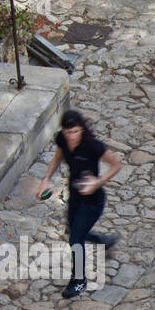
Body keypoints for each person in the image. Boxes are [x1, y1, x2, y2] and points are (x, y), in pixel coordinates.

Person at [36, 109, 122, 300]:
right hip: (75, 196)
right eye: (68, 133)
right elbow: (58, 158)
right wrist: (46, 179)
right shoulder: (63, 140)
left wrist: (97, 183)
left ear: (81, 130)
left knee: (76, 240)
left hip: (93, 201)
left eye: (75, 132)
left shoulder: (92, 146)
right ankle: (103, 241)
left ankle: (78, 280)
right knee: (73, 231)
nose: (72, 136)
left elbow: (116, 165)